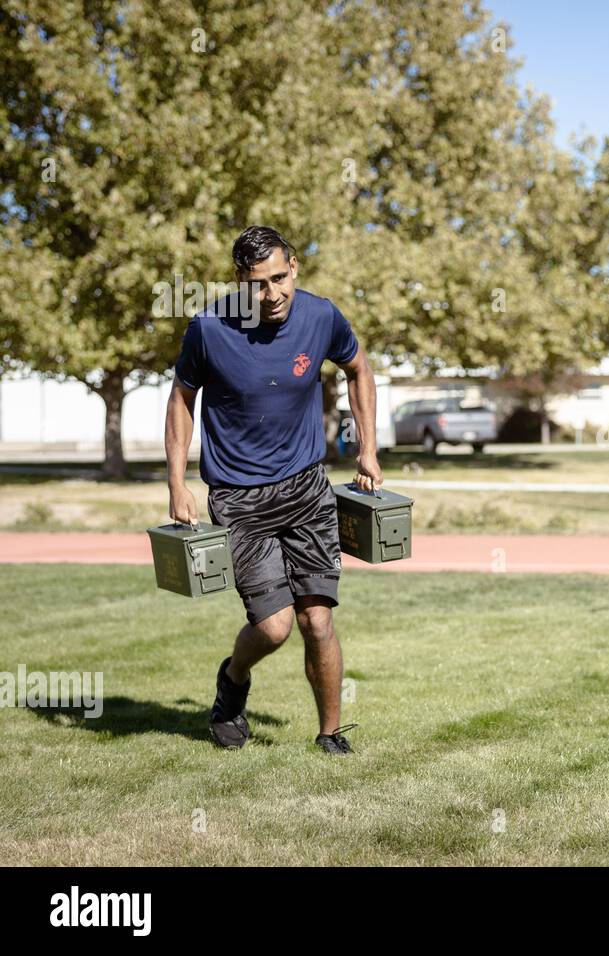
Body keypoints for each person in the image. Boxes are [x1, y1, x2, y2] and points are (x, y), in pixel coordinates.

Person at [165, 225, 383, 754]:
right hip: (240, 498)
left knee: (317, 617)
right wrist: (176, 482)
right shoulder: (209, 327)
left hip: (307, 487)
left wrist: (368, 449)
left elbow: (358, 369)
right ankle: (234, 679)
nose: (273, 294)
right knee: (275, 626)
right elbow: (181, 400)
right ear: (241, 281)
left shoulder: (320, 315)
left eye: (280, 278)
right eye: (258, 284)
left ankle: (330, 733)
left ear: (295, 267)